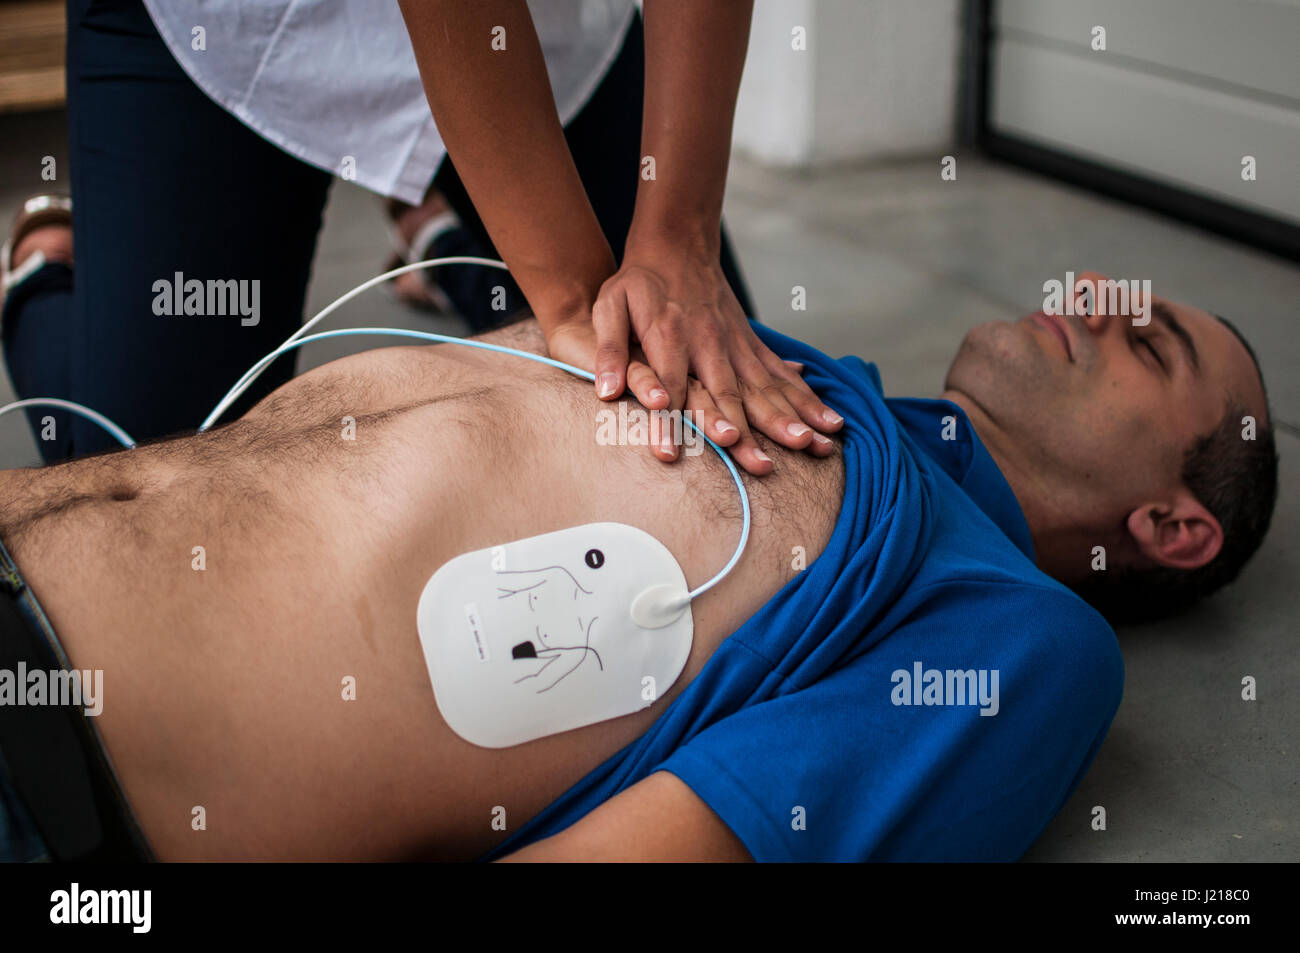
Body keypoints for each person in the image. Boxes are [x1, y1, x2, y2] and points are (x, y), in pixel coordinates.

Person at [0, 274, 1277, 862]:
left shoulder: (1015, 633)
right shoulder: (747, 348)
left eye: (1148, 343)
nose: (1098, 301)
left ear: (1172, 524)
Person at [1, 0, 837, 473]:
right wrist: (579, 304)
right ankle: (44, 268)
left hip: (540, 27)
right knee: (144, 480)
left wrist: (677, 240)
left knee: (712, 411)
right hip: (232, 30)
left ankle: (434, 243)